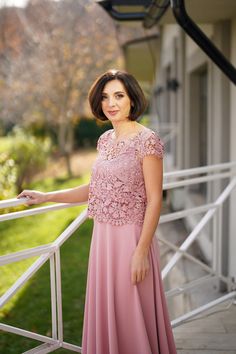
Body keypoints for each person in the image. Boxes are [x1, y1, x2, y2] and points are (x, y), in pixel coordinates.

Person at [17, 70, 177, 354]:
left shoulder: (147, 140)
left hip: (131, 240)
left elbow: (155, 200)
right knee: (109, 311)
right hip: (103, 241)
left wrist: (141, 252)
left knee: (132, 314)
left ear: (132, 99)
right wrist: (46, 196)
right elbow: (95, 188)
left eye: (118, 95)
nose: (110, 103)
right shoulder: (105, 140)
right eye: (105, 97)